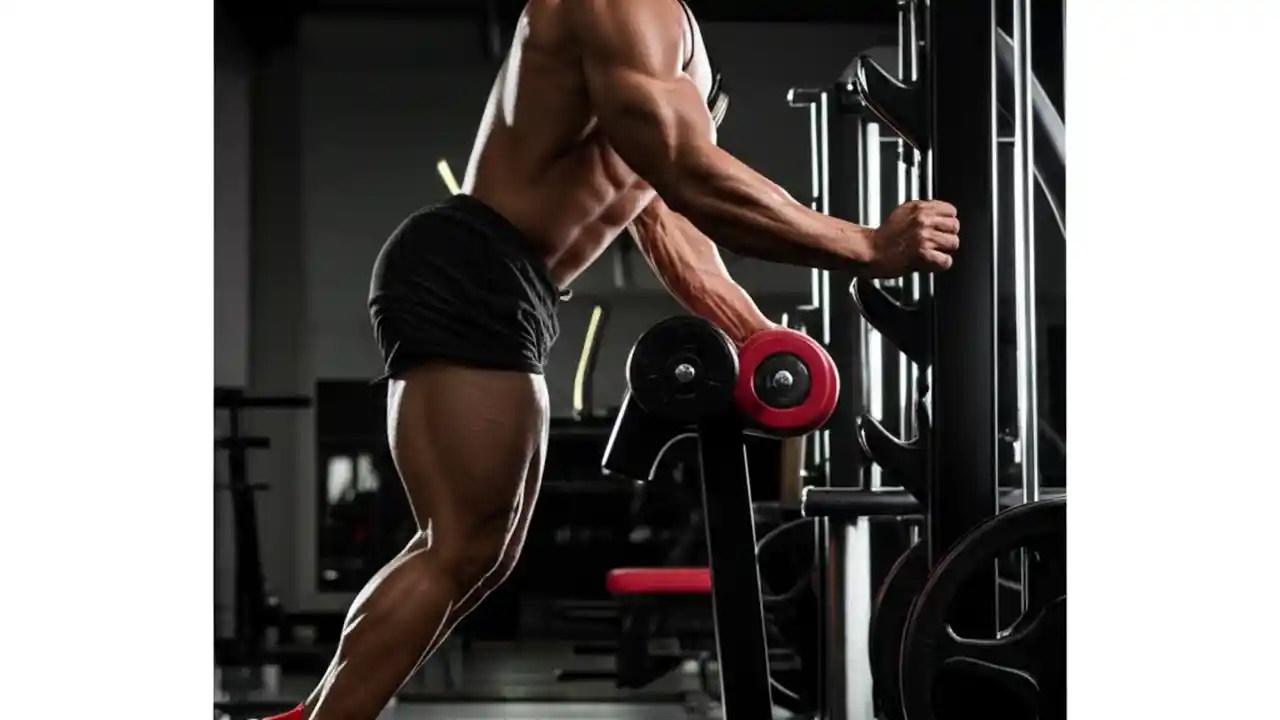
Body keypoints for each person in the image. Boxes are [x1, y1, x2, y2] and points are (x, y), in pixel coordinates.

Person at [272, 0, 959, 717]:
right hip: (473, 268)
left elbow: (665, 221)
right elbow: (691, 174)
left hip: (519, 286)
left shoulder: (670, 29)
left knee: (481, 555)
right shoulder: (618, 7)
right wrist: (866, 246)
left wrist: (757, 335)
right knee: (458, 547)